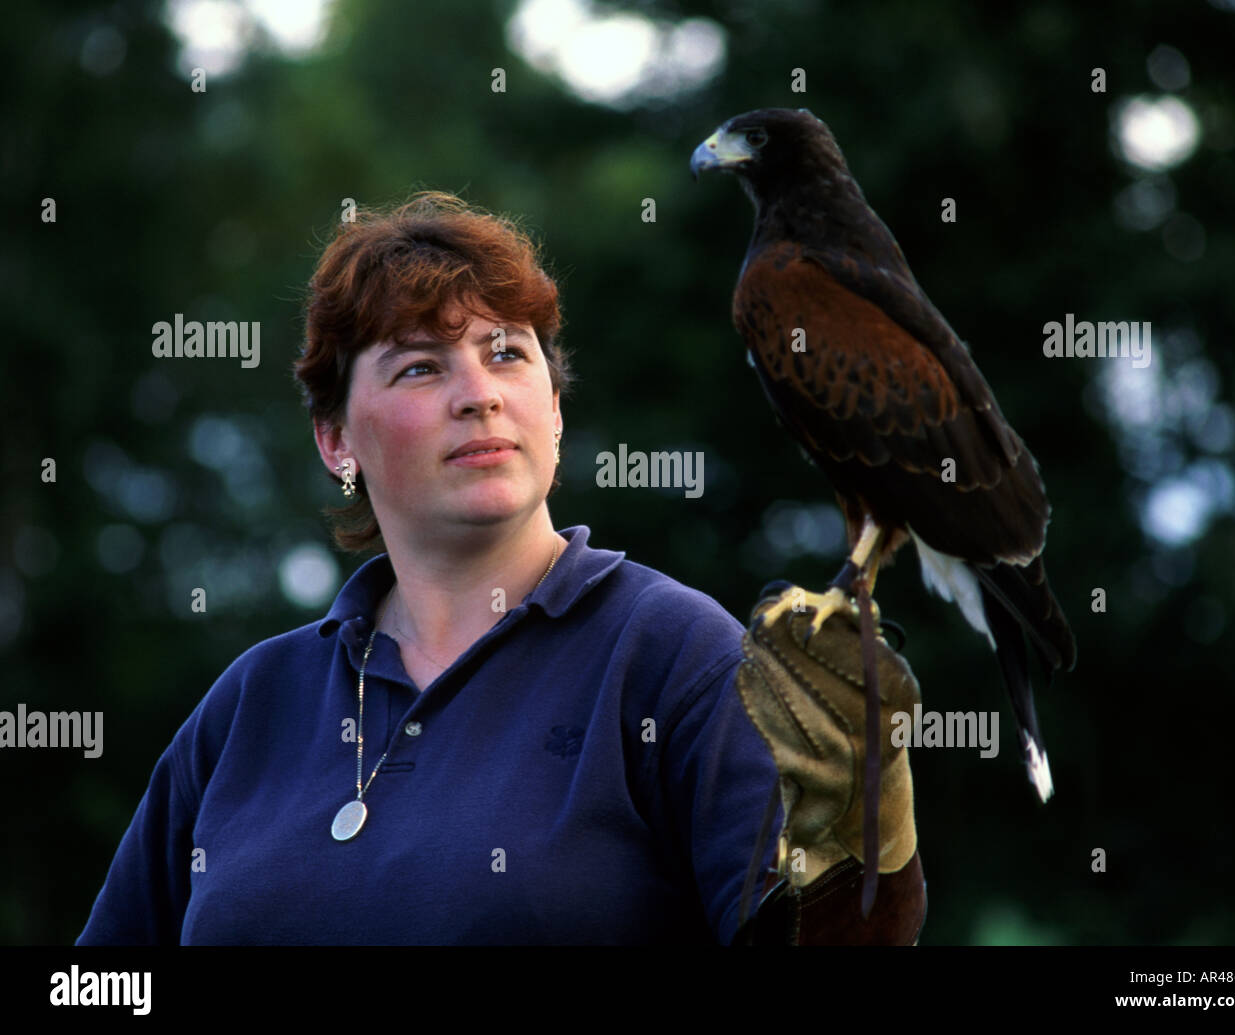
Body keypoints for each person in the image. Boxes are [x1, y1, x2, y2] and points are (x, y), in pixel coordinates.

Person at [76, 192, 925, 946]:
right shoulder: (250, 705)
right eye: (420, 365)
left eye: (508, 353)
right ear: (336, 442)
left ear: (553, 408)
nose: (478, 392)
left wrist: (866, 850)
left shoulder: (676, 657)